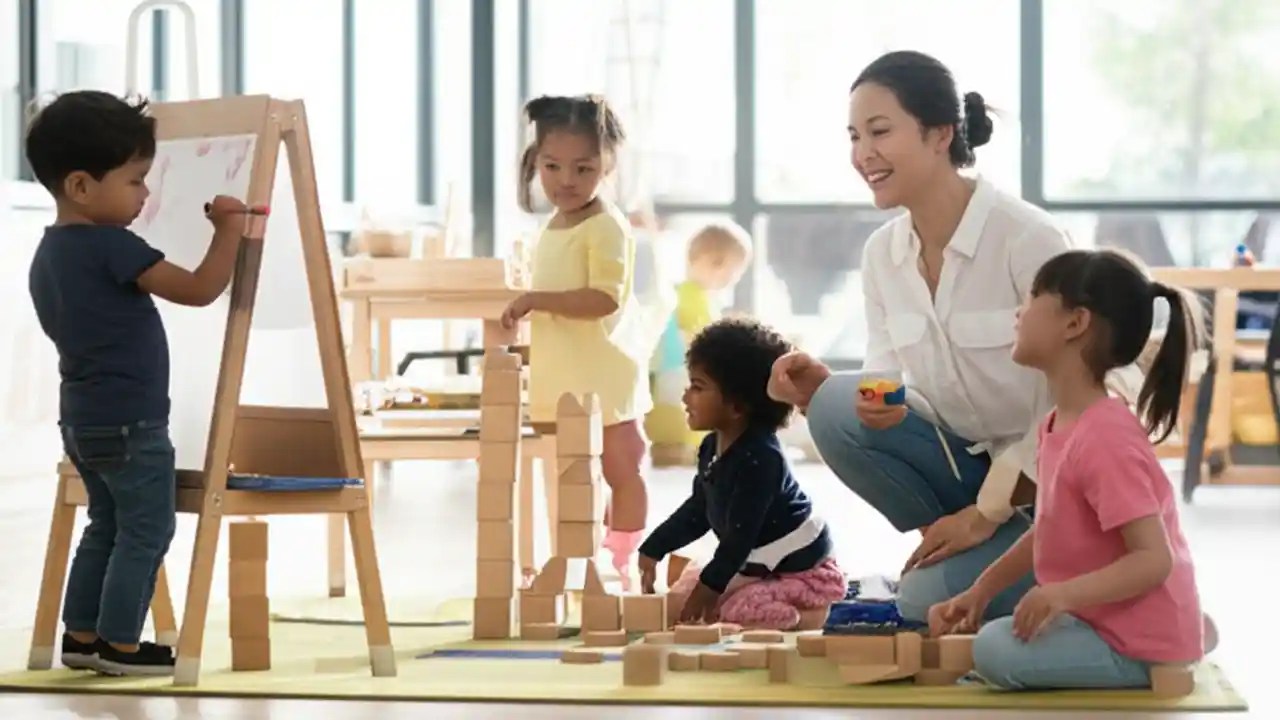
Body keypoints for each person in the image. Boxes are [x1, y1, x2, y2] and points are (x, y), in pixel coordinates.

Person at [768, 49, 1088, 623]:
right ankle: (959, 549)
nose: (863, 154)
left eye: (880, 131)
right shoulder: (882, 255)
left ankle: (1022, 558)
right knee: (836, 404)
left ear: (941, 134)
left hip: (1049, 485)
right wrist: (841, 392)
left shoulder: (1028, 239)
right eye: (854, 136)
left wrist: (989, 512)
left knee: (919, 601)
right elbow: (886, 378)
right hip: (963, 472)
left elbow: (1092, 397)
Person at [25, 90, 247, 675]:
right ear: (80, 186)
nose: (145, 194)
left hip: (82, 421)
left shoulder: (50, 253)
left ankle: (81, 635)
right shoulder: (111, 246)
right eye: (135, 180)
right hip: (132, 423)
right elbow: (198, 289)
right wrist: (230, 228)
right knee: (147, 529)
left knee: (105, 524)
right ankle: (121, 645)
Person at [928, 249, 1207, 689]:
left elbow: (1154, 559)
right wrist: (981, 591)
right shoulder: (1057, 424)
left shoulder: (1105, 438)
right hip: (1100, 620)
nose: (1019, 311)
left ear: (1075, 323)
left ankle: (1167, 648)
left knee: (993, 649)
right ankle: (1183, 631)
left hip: (1131, 641)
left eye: (1033, 297)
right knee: (998, 634)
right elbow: (1050, 528)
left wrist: (1060, 594)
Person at [501, 94, 651, 590]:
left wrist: (535, 299)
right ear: (534, 162)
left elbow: (603, 299)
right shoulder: (555, 224)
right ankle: (580, 560)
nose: (565, 180)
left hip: (605, 378)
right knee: (574, 478)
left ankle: (625, 561)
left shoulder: (605, 226)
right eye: (552, 166)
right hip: (567, 376)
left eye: (583, 168)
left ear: (607, 165)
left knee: (620, 469)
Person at [638, 318, 847, 630]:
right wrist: (654, 548)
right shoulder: (712, 447)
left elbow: (739, 538)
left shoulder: (762, 459)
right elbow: (699, 510)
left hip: (796, 568)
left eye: (698, 387)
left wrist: (710, 590)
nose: (685, 397)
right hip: (753, 561)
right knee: (679, 603)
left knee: (733, 612)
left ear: (737, 406)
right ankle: (745, 593)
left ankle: (812, 613)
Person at [646, 222, 753, 466]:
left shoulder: (692, 295)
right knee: (693, 406)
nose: (731, 279)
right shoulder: (692, 297)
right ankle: (684, 447)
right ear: (715, 263)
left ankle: (679, 446)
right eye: (731, 272)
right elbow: (701, 337)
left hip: (675, 369)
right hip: (678, 369)